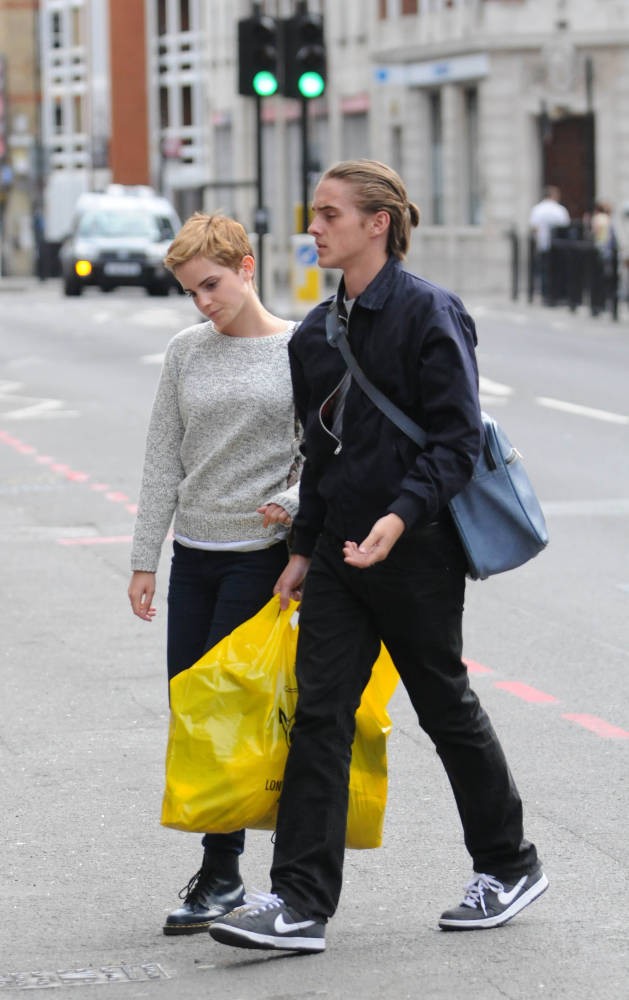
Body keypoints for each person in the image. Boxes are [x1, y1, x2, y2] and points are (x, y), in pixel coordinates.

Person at [209, 160, 548, 955]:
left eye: (328, 214)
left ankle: (508, 864)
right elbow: (320, 457)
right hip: (336, 555)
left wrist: (399, 517)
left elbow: (456, 441)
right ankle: (298, 902)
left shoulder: (430, 313)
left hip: (416, 551)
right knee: (318, 717)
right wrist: (301, 549)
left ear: (378, 224)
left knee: (443, 707)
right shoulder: (315, 337)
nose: (314, 227)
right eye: (313, 213)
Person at [128, 211, 301, 936]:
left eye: (212, 284)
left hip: (258, 562)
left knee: (232, 715)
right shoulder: (185, 353)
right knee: (189, 710)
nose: (203, 302)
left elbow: (324, 448)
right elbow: (163, 454)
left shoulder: (301, 348)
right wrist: (145, 558)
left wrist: (293, 507)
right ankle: (223, 870)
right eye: (191, 291)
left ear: (245, 267)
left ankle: (224, 871)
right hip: (194, 557)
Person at [529, 185, 570, 302]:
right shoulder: (560, 210)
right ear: (554, 196)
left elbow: (534, 228)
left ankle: (545, 295)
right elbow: (565, 226)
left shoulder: (537, 209)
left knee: (544, 271)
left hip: (543, 245)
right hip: (558, 246)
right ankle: (556, 295)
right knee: (557, 271)